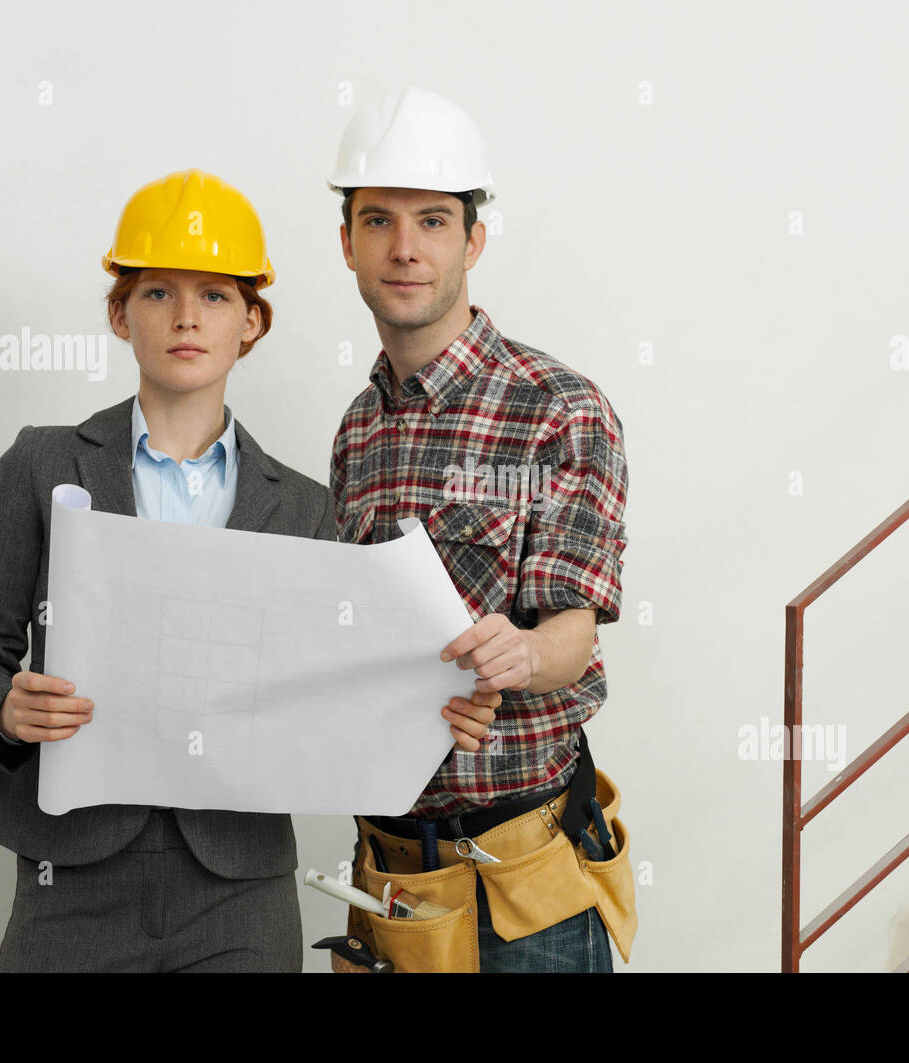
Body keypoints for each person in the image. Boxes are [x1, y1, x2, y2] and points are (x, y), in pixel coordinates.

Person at [0, 168, 497, 972]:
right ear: (119, 312)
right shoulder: (42, 464)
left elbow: (334, 691)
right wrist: (4, 708)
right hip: (73, 877)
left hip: (239, 887)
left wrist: (434, 708)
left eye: (215, 296)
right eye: (159, 293)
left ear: (251, 322)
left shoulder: (306, 507)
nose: (188, 317)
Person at [327, 88, 638, 973]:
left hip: (520, 886)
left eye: (432, 220)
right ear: (346, 242)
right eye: (377, 220)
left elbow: (572, 636)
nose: (405, 248)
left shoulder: (559, 410)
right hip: (386, 878)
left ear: (474, 239)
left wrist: (520, 655)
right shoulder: (357, 429)